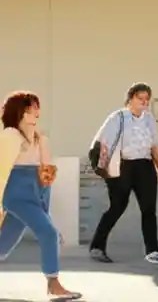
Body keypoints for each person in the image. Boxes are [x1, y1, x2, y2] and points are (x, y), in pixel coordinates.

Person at [0, 91, 81, 301]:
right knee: (49, 233)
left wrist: (45, 207)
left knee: (3, 245)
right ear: (20, 111)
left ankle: (53, 283)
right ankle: (53, 283)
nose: (37, 112)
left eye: (37, 108)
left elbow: (47, 176)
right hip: (15, 195)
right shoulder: (10, 135)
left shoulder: (41, 138)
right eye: (31, 108)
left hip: (34, 194)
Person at [89, 83, 158, 264]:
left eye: (146, 99)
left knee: (149, 209)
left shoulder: (149, 119)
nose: (143, 102)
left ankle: (152, 250)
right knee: (117, 206)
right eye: (140, 98)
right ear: (131, 98)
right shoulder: (118, 117)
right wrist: (104, 167)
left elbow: (153, 145)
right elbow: (103, 142)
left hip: (145, 166)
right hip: (122, 166)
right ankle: (97, 246)